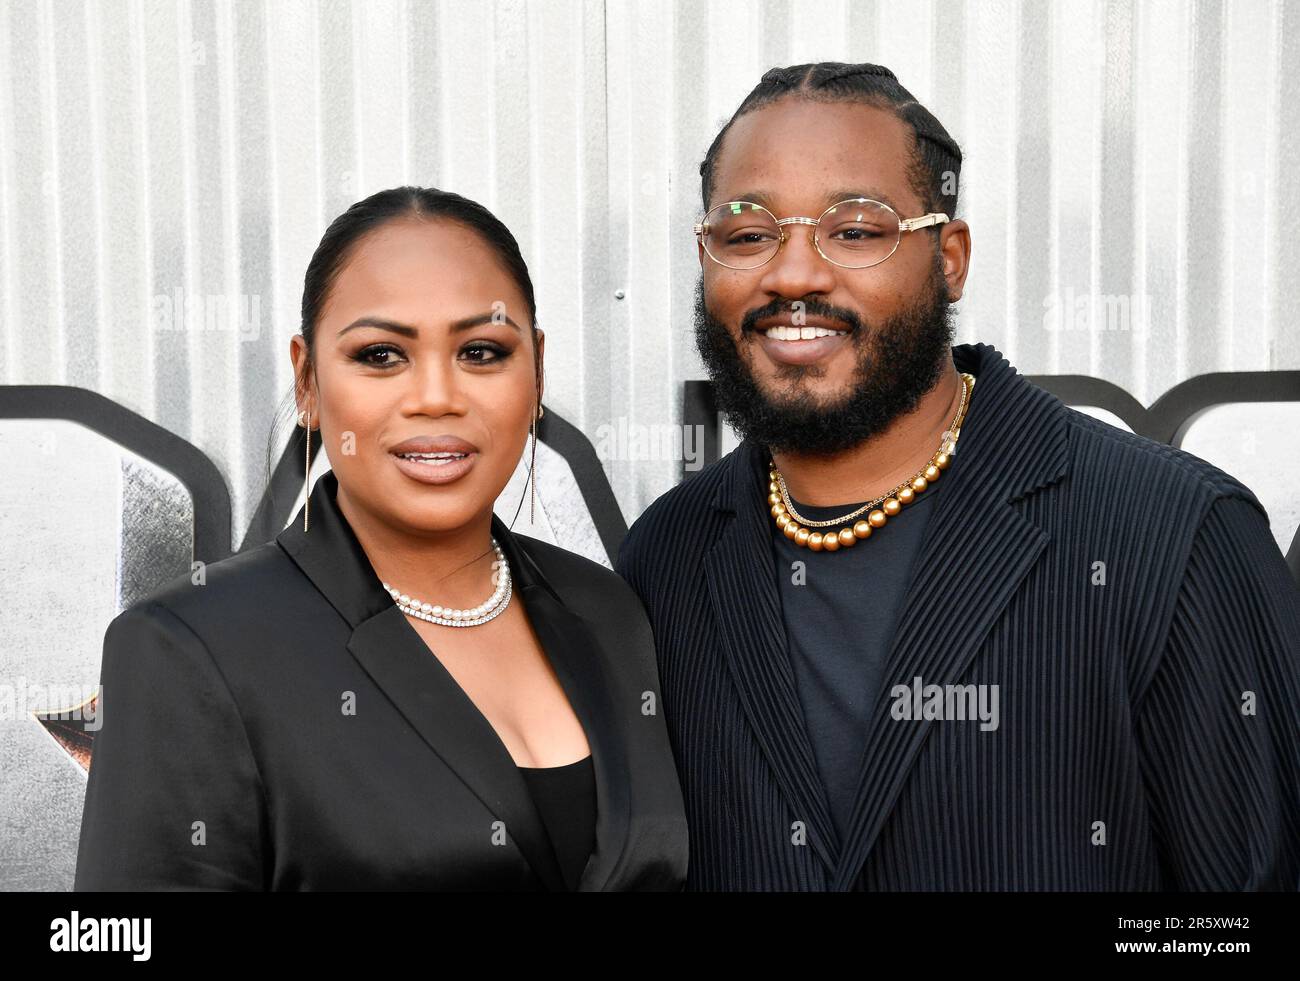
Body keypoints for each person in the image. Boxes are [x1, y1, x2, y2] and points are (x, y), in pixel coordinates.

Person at [615, 62, 1300, 890]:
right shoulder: (668, 557)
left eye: (857, 229)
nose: (793, 275)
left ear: (949, 259)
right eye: (748, 232)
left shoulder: (1174, 534)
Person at [75, 186, 687, 891]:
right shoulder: (188, 649)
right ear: (307, 378)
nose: (435, 395)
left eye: (482, 351)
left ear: (537, 370)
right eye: (381, 355)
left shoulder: (608, 612)